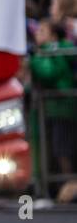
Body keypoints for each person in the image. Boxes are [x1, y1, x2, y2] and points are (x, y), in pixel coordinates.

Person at [30, 18, 76, 184]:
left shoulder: (51, 53)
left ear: (54, 37)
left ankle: (69, 186)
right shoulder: (48, 52)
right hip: (54, 109)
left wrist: (33, 61)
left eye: (42, 31)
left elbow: (48, 74)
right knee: (55, 148)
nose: (37, 34)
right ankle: (60, 185)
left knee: (62, 149)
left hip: (62, 108)